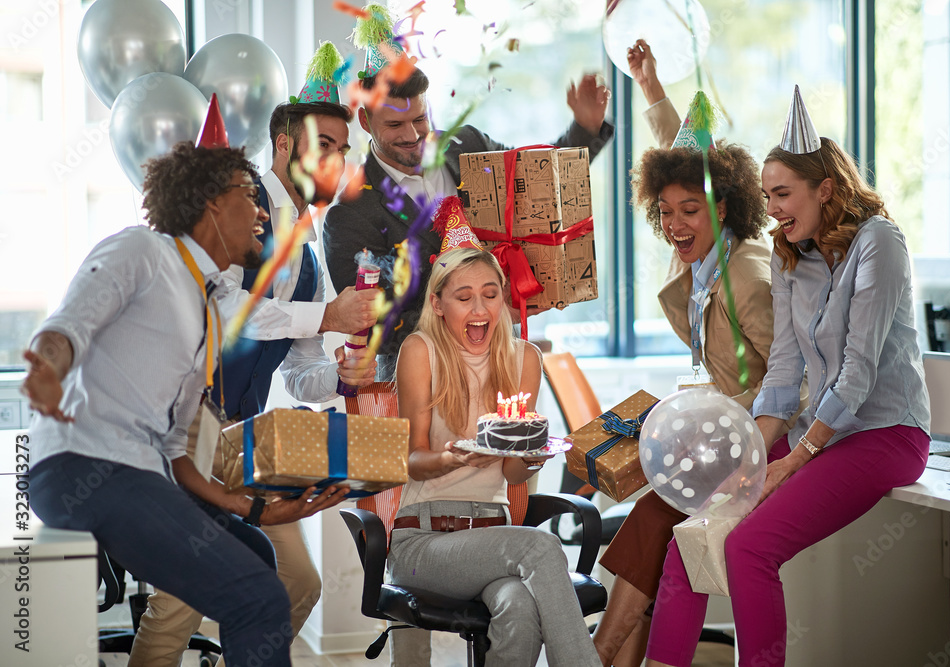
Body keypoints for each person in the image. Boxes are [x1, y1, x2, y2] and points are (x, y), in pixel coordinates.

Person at [23, 140, 352, 667]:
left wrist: (256, 509)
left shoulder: (210, 302)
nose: (264, 212)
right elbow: (67, 326)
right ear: (213, 203)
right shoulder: (142, 250)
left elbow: (176, 451)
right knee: (258, 598)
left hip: (145, 471)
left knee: (258, 554)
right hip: (82, 464)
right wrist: (47, 370)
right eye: (251, 195)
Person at [645, 90, 931, 667]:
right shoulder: (787, 252)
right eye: (769, 196)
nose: (772, 208)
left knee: (750, 547)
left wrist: (793, 458)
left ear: (824, 188)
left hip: (884, 434)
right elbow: (783, 370)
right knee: (692, 529)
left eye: (783, 194)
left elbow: (857, 372)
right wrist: (750, 452)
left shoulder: (878, 242)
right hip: (814, 433)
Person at [127, 97, 378, 665]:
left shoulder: (310, 260)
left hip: (246, 439)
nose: (336, 161)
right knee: (179, 602)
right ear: (284, 145)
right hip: (185, 427)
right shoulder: (235, 207)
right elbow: (227, 307)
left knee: (297, 582)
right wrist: (327, 316)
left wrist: (340, 377)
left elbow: (298, 371)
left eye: (343, 150)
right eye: (324, 146)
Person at [592, 88, 804, 667]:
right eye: (665, 211)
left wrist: (718, 414)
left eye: (691, 210)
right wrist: (654, 90)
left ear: (724, 209)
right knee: (650, 521)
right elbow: (679, 164)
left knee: (656, 519)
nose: (675, 223)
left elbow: (795, 381)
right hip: (725, 435)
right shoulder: (700, 261)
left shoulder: (747, 278)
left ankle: (593, 655)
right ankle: (599, 656)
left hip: (768, 440)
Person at [323, 65, 614, 380]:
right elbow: (378, 325)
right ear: (365, 121)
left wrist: (585, 127)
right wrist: (487, 311)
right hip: (420, 379)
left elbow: (535, 181)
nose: (411, 135)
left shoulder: (467, 144)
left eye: (419, 119)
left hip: (502, 363)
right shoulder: (349, 215)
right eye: (394, 124)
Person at [389, 246, 603, 667]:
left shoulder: (524, 358)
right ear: (438, 303)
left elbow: (512, 472)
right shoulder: (420, 350)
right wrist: (450, 459)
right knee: (542, 547)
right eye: (463, 297)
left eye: (490, 294)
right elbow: (410, 460)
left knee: (521, 610)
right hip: (424, 543)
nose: (480, 308)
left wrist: (532, 456)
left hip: (495, 538)